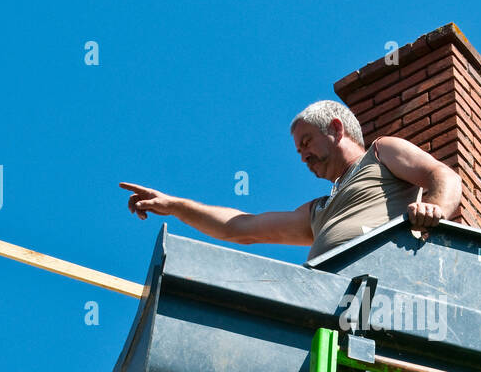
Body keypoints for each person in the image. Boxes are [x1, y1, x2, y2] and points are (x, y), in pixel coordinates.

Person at [122, 100, 462, 261]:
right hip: (331, 304)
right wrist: (176, 206)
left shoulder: (381, 152)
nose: (302, 155)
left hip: (388, 287)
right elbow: (241, 227)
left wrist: (434, 211)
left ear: (336, 128)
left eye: (306, 142)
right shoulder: (318, 211)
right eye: (299, 149)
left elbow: (442, 175)